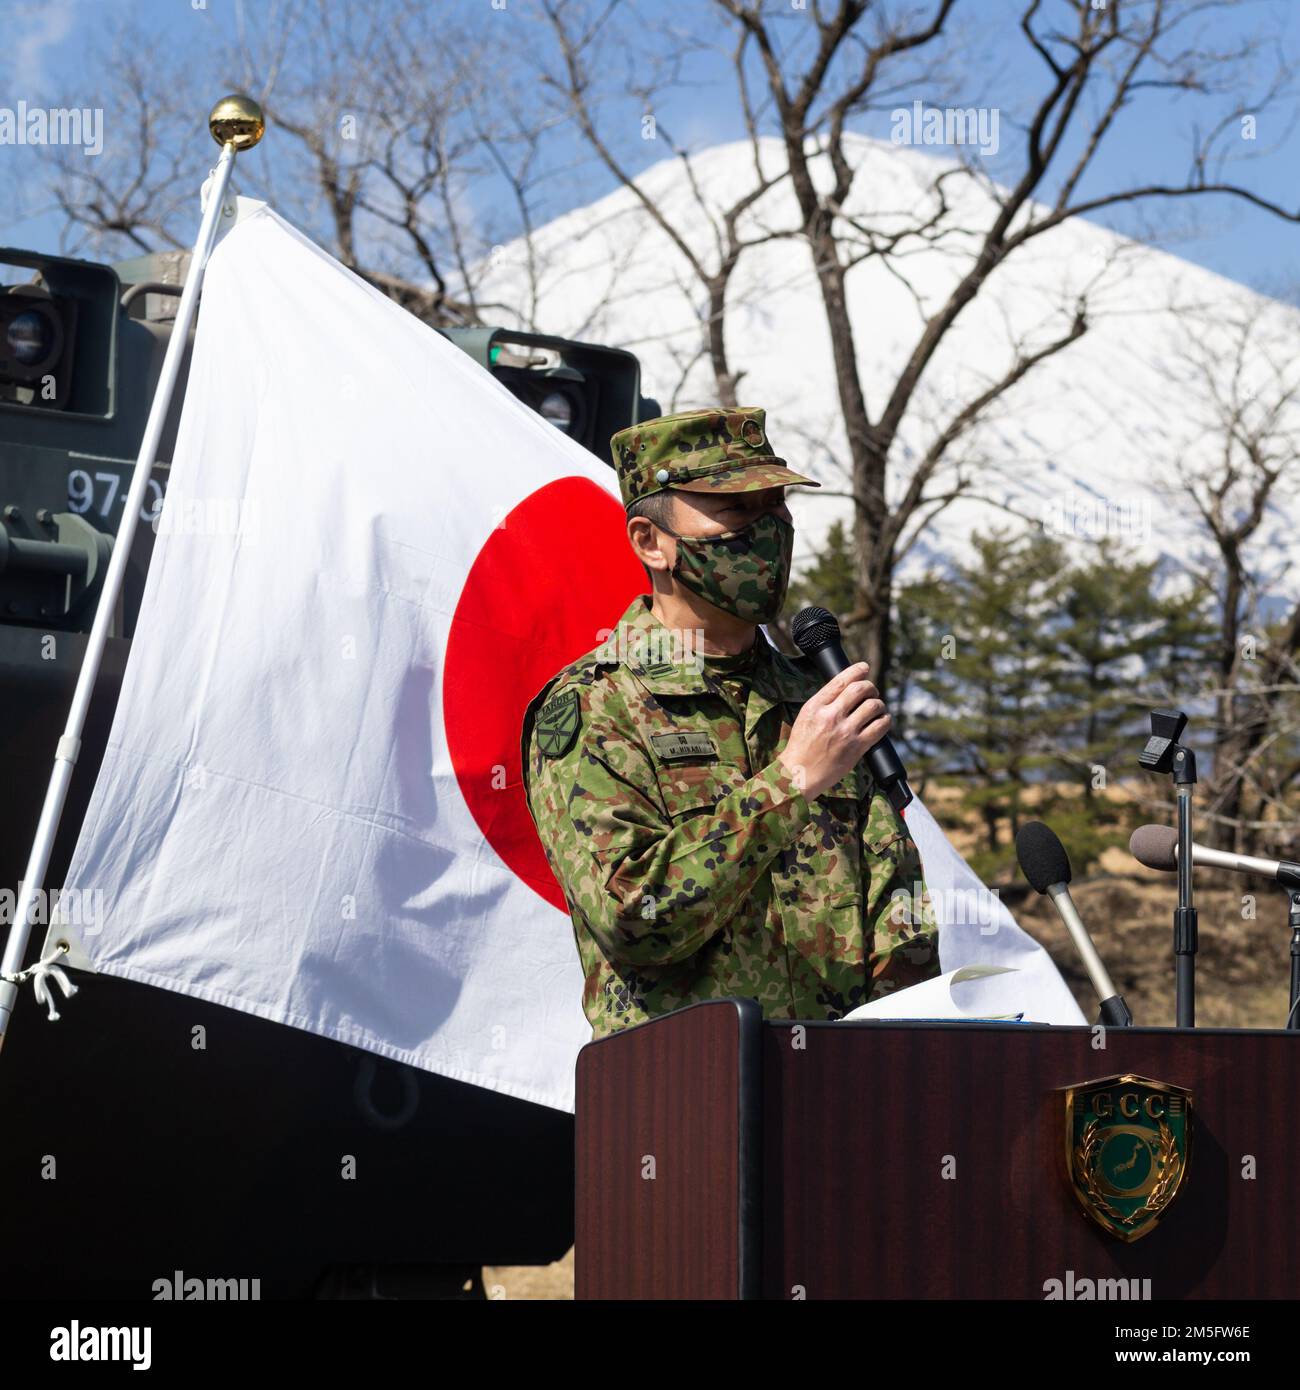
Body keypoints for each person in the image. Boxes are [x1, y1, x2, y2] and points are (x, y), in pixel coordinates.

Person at [520, 406, 938, 1038]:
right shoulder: (595, 705)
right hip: (688, 1082)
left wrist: (885, 1059)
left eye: (776, 506)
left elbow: (901, 919)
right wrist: (790, 782)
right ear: (650, 542)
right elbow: (633, 915)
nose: (767, 530)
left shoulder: (815, 705)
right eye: (737, 510)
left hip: (841, 1080)